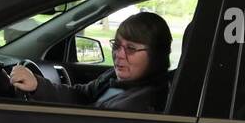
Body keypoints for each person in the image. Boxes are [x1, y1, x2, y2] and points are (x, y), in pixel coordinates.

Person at [9, 11, 174, 113]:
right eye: (117, 45)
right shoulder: (117, 78)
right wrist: (37, 85)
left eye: (130, 48)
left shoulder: (138, 104)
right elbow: (82, 95)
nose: (119, 55)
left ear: (156, 55)